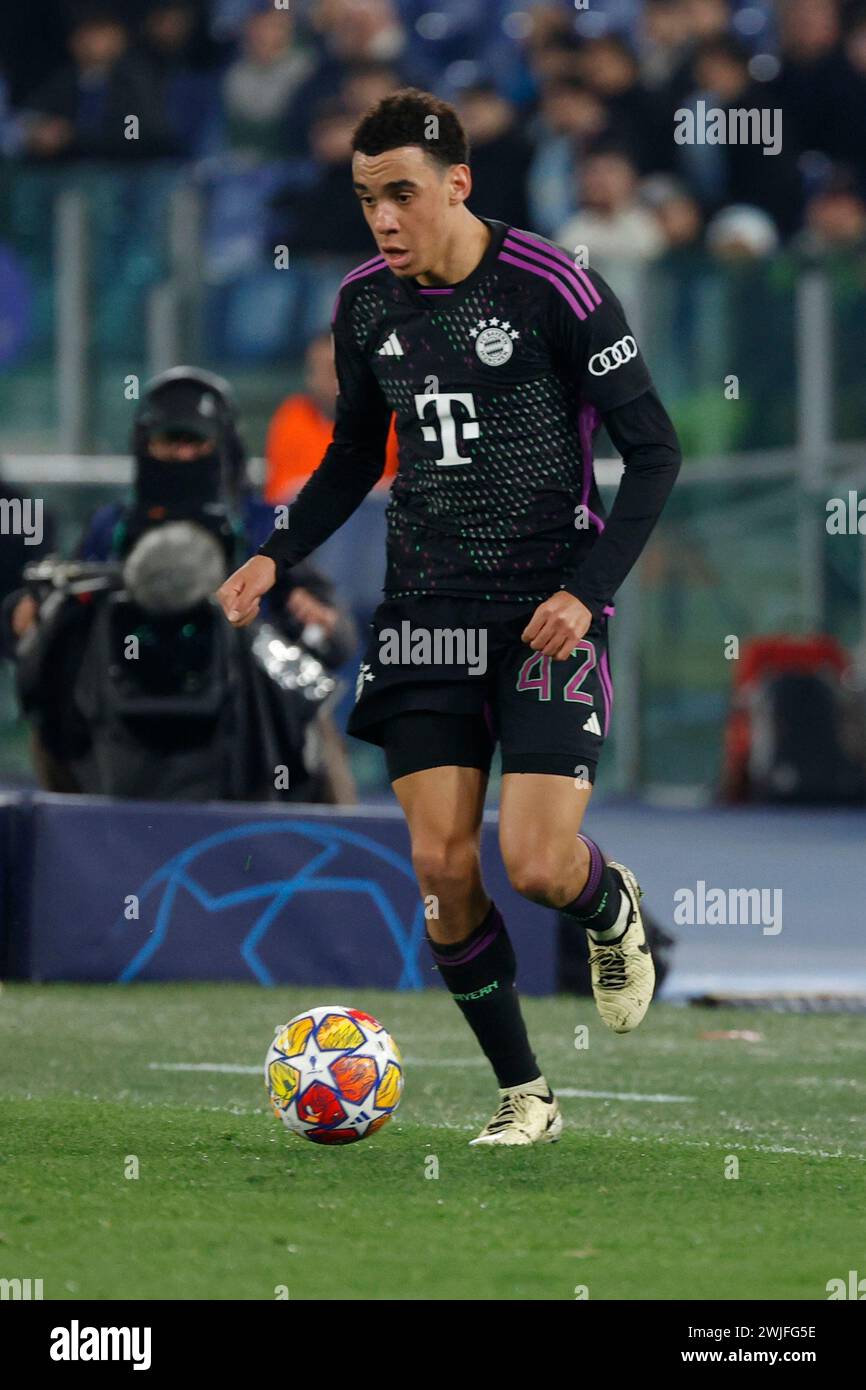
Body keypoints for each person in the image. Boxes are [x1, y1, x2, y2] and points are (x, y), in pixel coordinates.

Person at [217, 89, 681, 1147]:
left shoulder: (552, 285)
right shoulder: (363, 305)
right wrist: (270, 551)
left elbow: (654, 451)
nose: (381, 219)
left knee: (532, 863)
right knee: (440, 868)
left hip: (542, 612)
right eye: (366, 197)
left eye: (401, 196)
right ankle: (524, 1094)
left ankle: (606, 902)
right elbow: (349, 459)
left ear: (457, 185)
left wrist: (585, 590)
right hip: (424, 611)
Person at [263, 331, 398, 505]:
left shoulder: (394, 422)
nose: (340, 380)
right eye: (330, 371)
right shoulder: (292, 418)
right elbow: (279, 499)